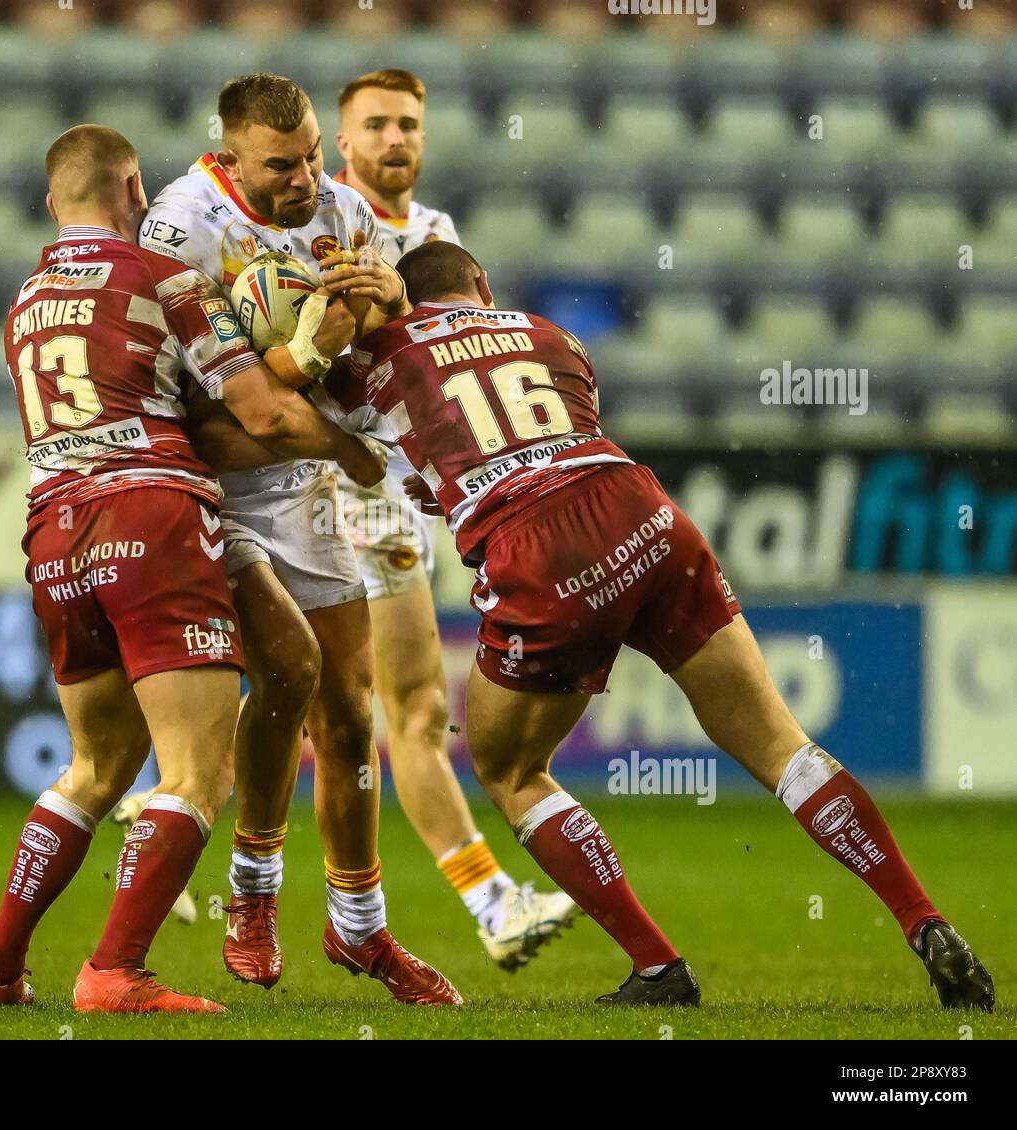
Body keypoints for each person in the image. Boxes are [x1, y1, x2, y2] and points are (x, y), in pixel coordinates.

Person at [324, 240, 996, 1010]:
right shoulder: (553, 335)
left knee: (510, 770)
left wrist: (340, 331)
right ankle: (924, 920)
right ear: (483, 285)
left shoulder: (376, 360)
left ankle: (659, 967)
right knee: (783, 745)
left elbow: (290, 411)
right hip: (641, 507)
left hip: (539, 542)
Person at [0, 125, 384, 1014]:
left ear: (50, 204)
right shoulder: (162, 275)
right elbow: (263, 414)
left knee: (95, 768)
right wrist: (354, 449)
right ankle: (114, 971)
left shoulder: (26, 301)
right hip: (151, 515)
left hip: (54, 530)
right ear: (134, 187)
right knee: (193, 773)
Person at [137, 73, 460, 1004]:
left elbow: (377, 361)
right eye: (282, 165)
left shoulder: (347, 211)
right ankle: (251, 896)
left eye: (314, 153)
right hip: (215, 477)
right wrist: (356, 447)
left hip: (308, 475)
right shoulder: (181, 227)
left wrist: (390, 299)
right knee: (286, 672)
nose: (306, 177)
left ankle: (362, 929)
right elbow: (211, 408)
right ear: (227, 154)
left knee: (352, 716)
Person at [332, 67, 577, 968]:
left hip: (418, 488)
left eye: (409, 125)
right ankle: (486, 902)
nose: (396, 140)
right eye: (377, 126)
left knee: (371, 710)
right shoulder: (321, 227)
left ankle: (352, 915)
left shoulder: (438, 238)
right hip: (352, 491)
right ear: (343, 139)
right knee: (407, 708)